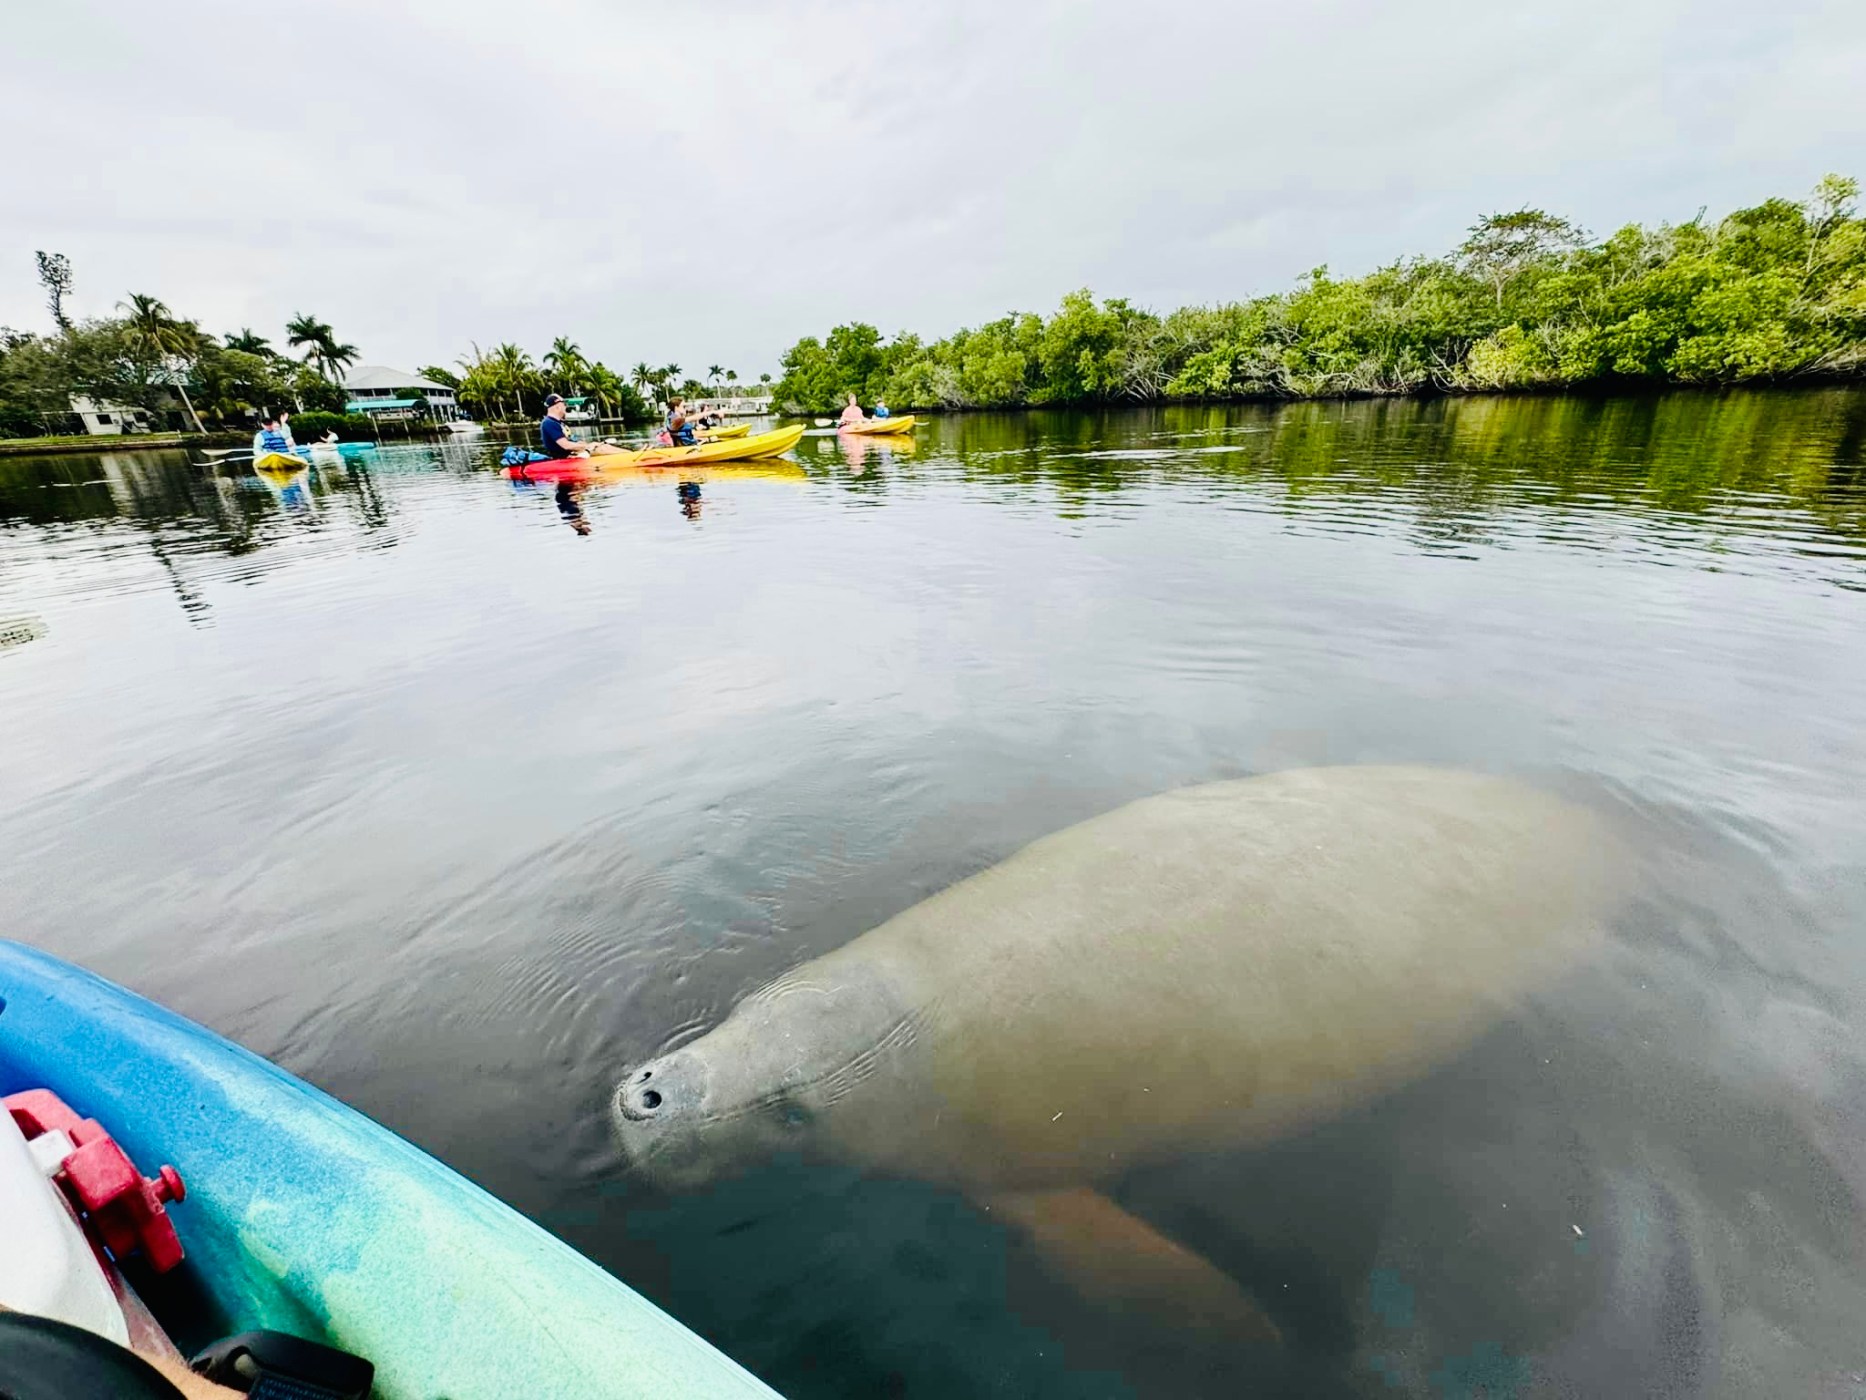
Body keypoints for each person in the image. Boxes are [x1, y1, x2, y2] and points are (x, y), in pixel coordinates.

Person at [540, 394, 620, 458]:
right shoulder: (548, 423)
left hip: (575, 453)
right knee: (602, 449)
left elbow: (574, 441)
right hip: (566, 458)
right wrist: (588, 447)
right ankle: (630, 458)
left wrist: (591, 444)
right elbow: (566, 445)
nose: (566, 407)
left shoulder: (559, 423)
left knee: (604, 446)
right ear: (558, 406)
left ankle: (629, 455)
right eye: (564, 404)